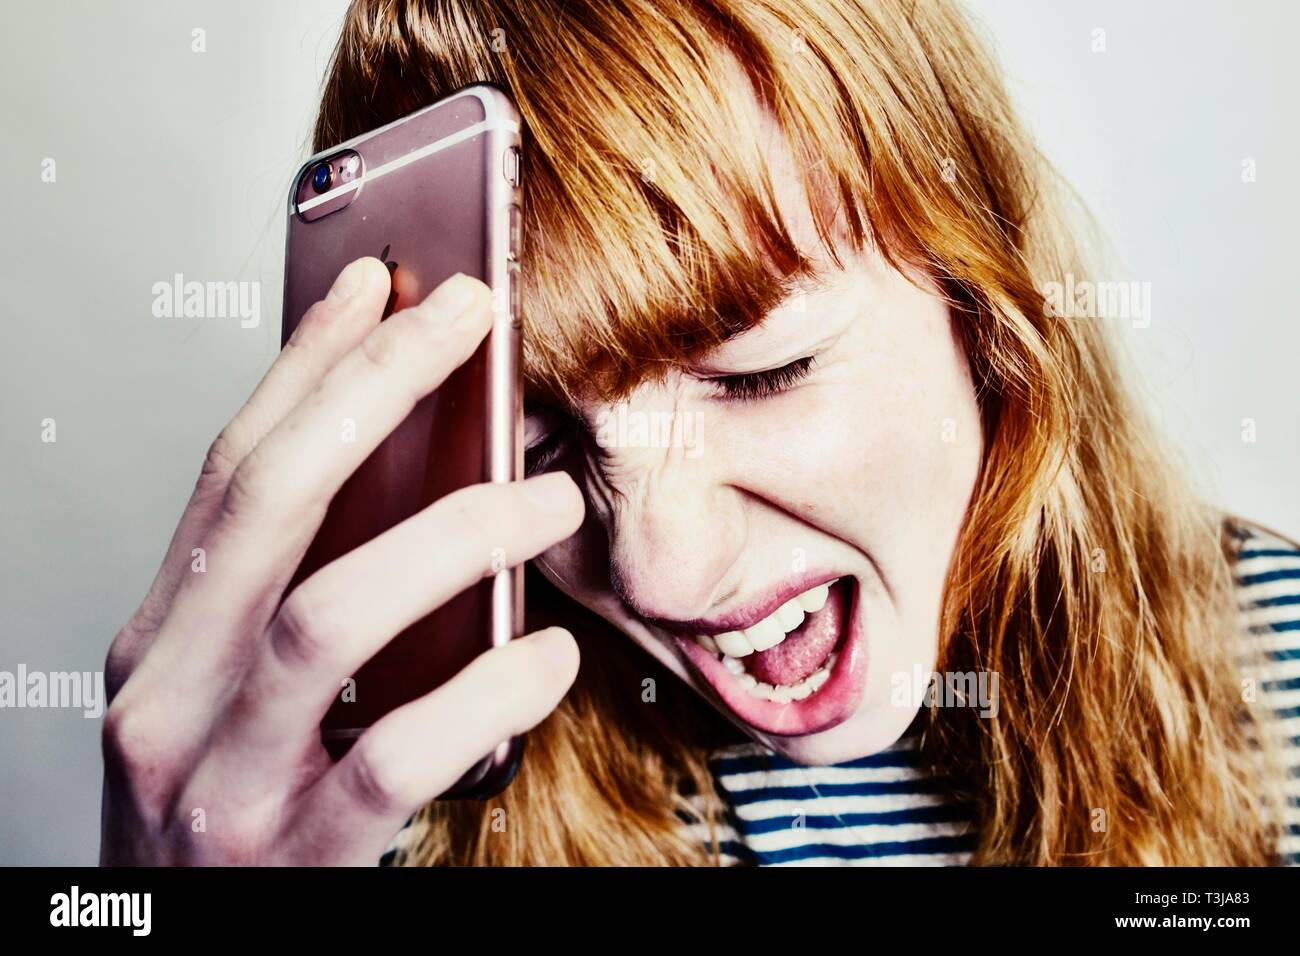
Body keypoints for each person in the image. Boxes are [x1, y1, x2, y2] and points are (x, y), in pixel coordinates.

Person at [101, 0, 1300, 866]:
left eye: (760, 373)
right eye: (537, 447)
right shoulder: (391, 807)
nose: (653, 571)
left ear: (981, 302)